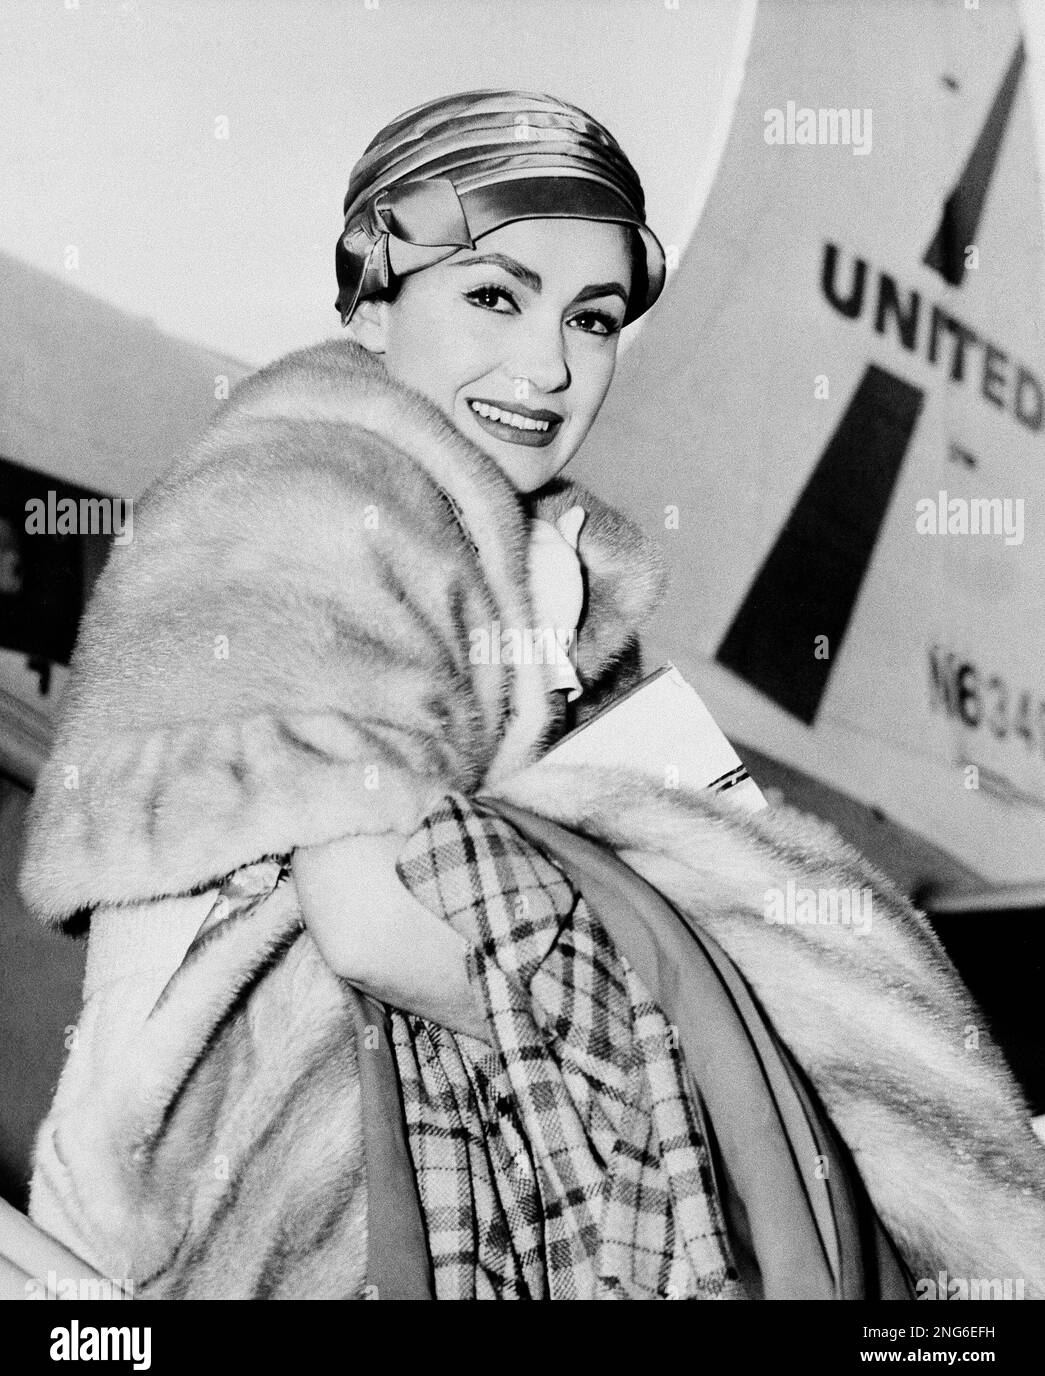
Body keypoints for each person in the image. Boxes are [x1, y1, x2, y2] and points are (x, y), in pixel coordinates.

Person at [19, 91, 1045, 1301]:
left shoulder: (524, 570)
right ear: (369, 296)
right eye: (493, 296)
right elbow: (372, 927)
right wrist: (704, 1080)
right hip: (224, 1221)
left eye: (593, 318)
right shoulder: (295, 496)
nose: (550, 365)